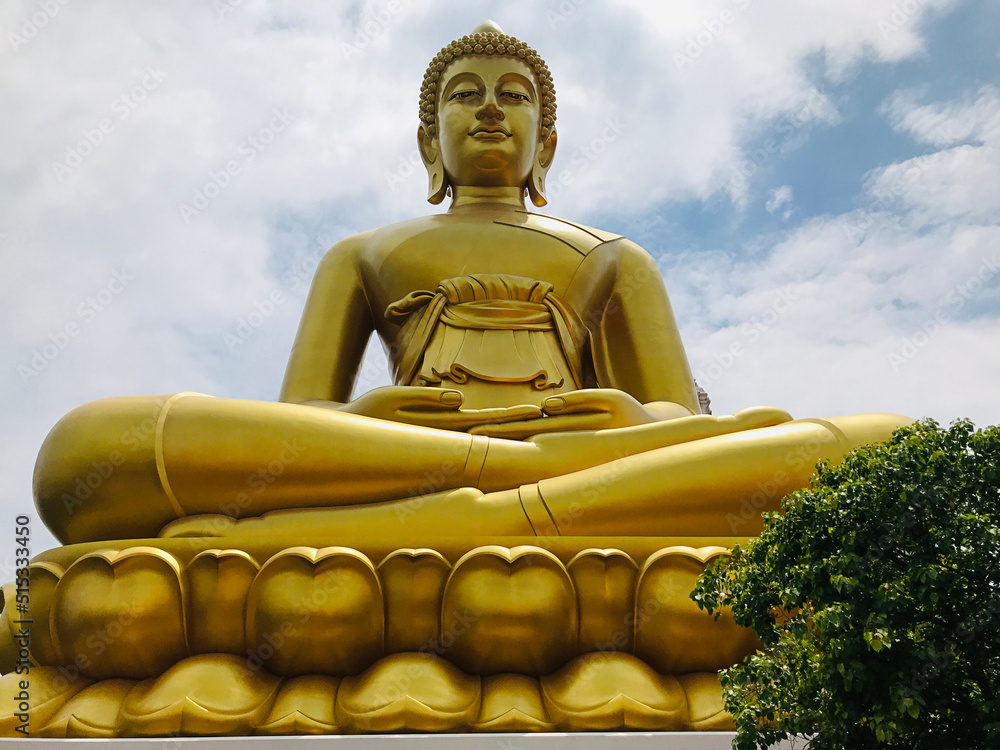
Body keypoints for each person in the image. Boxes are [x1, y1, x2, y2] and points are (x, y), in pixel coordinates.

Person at [33, 21, 909, 547]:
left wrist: (639, 423)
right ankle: (512, 506)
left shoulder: (612, 256)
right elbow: (301, 425)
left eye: (515, 96)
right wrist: (363, 420)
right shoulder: (365, 253)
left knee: (886, 453)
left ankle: (416, 531)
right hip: (411, 465)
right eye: (465, 95)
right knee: (92, 451)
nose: (491, 108)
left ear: (547, 142)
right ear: (429, 141)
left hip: (597, 460)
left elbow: (682, 422)